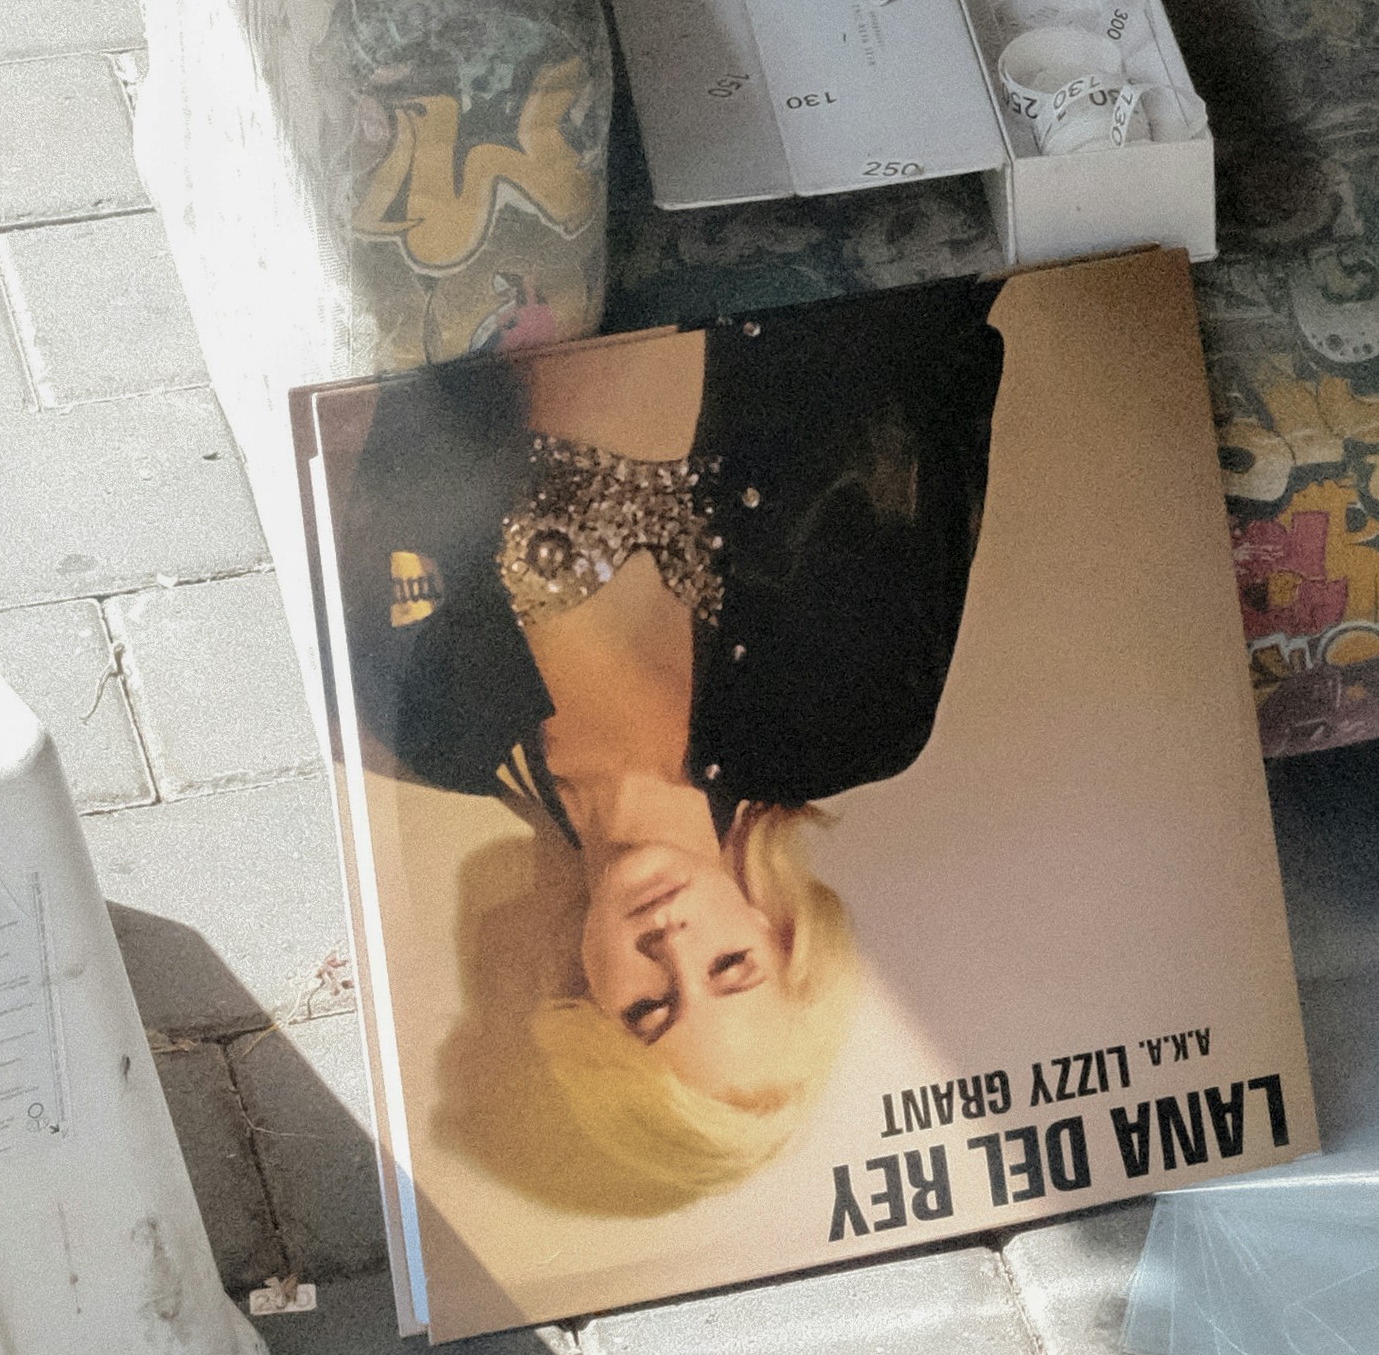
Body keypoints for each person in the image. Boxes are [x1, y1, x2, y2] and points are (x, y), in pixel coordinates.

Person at [341, 279, 1004, 1212]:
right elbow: (939, 359)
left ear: (582, 1002)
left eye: (648, 1009)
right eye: (730, 970)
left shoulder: (432, 724)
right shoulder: (859, 715)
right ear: (779, 937)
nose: (669, 946)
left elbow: (393, 416)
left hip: (500, 262)